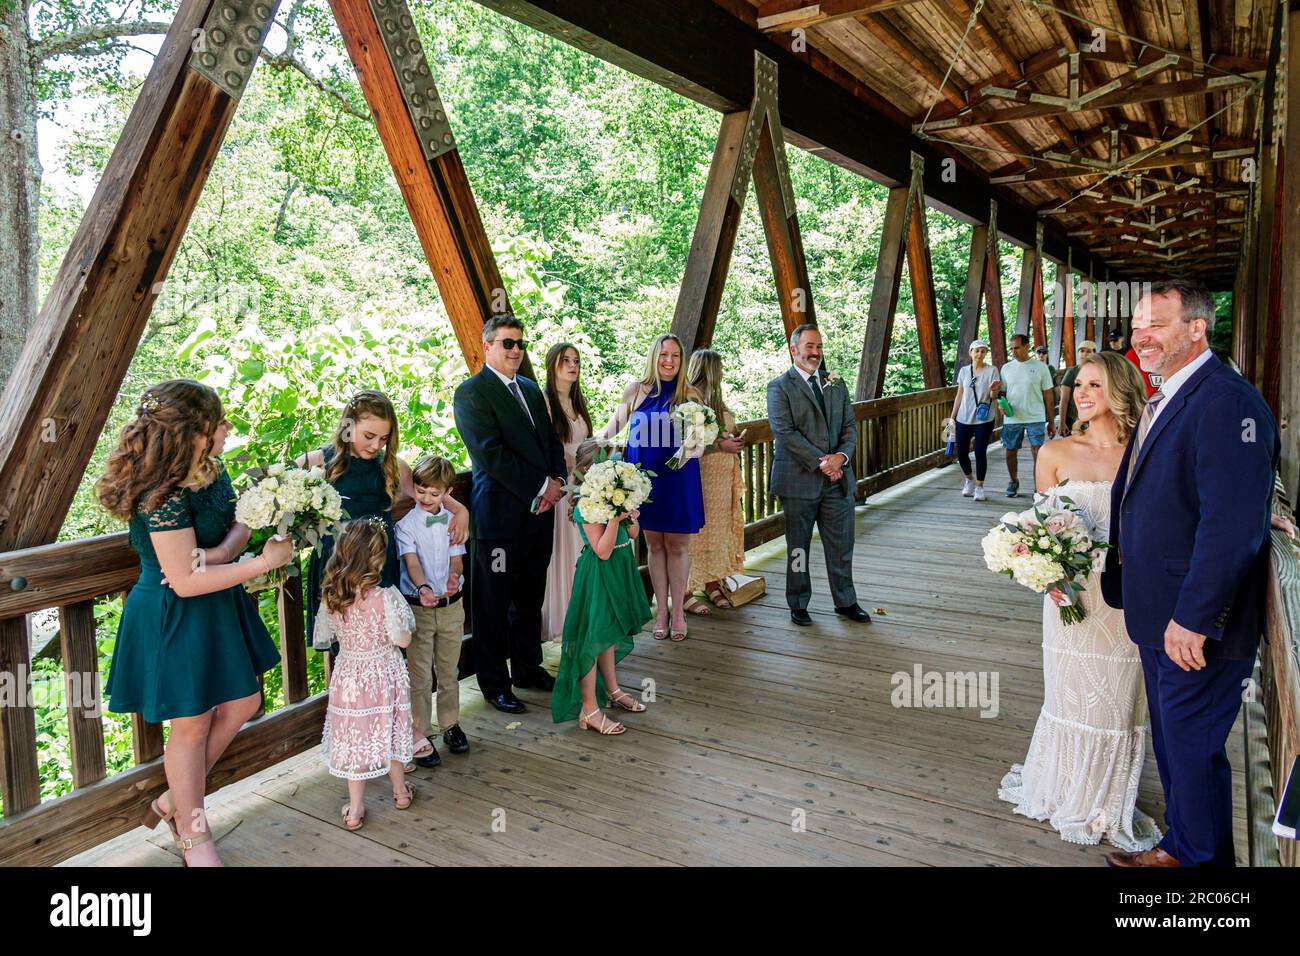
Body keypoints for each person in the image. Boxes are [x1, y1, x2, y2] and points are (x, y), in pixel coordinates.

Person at [1101, 281, 1280, 868]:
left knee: (1193, 747)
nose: (1140, 336)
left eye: (1156, 324)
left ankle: (1202, 871)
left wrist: (1195, 618)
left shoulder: (1227, 402)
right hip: (1159, 611)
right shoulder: (1173, 393)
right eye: (1137, 326)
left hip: (1195, 623)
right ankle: (1180, 847)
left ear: (1197, 328)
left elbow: (1231, 525)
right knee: (1177, 742)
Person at [97, 380, 296, 866]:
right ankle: (194, 836)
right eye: (218, 422)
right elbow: (184, 581)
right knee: (191, 723)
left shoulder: (211, 471)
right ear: (192, 432)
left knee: (245, 700)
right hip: (174, 610)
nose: (227, 428)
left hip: (216, 600)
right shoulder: (159, 495)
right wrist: (261, 564)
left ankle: (173, 800)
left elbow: (234, 531)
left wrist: (226, 550)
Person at [998, 352, 1162, 852]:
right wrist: (1044, 573)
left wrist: (1261, 516)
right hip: (1070, 596)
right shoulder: (1053, 452)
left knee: (1118, 699)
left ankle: (1108, 800)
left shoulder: (1147, 449)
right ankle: (1063, 787)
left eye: (1095, 384)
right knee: (1069, 694)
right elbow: (1039, 528)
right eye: (1078, 385)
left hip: (1127, 596)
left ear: (1121, 389)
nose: (1082, 394)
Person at [453, 315, 568, 713]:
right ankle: (494, 685)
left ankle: (527, 668)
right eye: (507, 343)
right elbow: (491, 454)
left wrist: (557, 481)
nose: (516, 350)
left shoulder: (531, 389)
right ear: (487, 346)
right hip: (499, 521)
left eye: (520, 343)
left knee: (529, 599)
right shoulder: (471, 393)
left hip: (538, 516)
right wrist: (540, 486)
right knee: (493, 604)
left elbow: (551, 440)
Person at [299, 390, 468, 650]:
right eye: (369, 436)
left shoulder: (392, 466)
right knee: (345, 645)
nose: (375, 445)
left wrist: (461, 512)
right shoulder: (321, 461)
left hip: (380, 564)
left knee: (384, 642)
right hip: (339, 565)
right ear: (348, 426)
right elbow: (280, 491)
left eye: (384, 439)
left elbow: (432, 495)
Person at [600, 333, 705, 641]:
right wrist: (592, 444)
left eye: (675, 355)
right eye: (663, 354)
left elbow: (699, 442)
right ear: (653, 357)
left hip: (678, 480)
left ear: (681, 360)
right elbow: (614, 426)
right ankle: (661, 612)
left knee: (678, 546)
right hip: (644, 482)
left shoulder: (690, 394)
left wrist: (693, 444)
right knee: (654, 547)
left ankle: (678, 612)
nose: (669, 360)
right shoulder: (635, 390)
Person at [314, 519, 417, 830]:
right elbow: (403, 640)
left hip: (349, 676)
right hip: (383, 675)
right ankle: (400, 792)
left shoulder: (332, 596)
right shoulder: (385, 597)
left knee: (355, 736)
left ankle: (355, 809)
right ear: (375, 559)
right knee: (391, 728)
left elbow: (325, 637)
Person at [767, 324, 870, 627]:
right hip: (798, 481)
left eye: (819, 346)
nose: (815, 352)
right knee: (798, 547)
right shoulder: (779, 387)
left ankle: (846, 601)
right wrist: (822, 462)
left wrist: (841, 458)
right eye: (809, 346)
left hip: (838, 480)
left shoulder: (835, 382)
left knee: (842, 545)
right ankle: (798, 602)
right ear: (794, 350)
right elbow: (785, 432)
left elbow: (849, 426)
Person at [551, 447, 653, 734]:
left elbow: (633, 534)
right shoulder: (587, 506)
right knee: (593, 639)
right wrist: (615, 519)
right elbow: (602, 551)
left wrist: (630, 514)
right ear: (590, 471)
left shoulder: (611, 500)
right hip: (599, 574)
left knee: (608, 635)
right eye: (610, 463)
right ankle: (589, 709)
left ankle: (613, 690)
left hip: (621, 567)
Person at [395, 454, 468, 768]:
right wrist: (424, 587)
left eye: (434, 493)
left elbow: (457, 559)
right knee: (420, 674)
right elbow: (411, 563)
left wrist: (454, 577)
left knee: (449, 671)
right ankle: (421, 732)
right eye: (420, 490)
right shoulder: (406, 525)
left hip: (451, 607)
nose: (425, 497)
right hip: (419, 608)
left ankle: (450, 724)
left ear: (447, 492)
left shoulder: (453, 520)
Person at [683, 349, 747, 613]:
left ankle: (712, 583)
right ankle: (686, 590)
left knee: (717, 533)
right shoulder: (689, 400)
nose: (721, 372)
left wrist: (733, 441)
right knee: (697, 534)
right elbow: (688, 444)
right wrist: (721, 446)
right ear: (707, 369)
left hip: (722, 480)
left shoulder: (717, 401)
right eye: (718, 368)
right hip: (702, 475)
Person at [541, 342, 594, 642]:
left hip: (585, 487)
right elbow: (545, 448)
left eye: (576, 361)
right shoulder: (546, 402)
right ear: (553, 365)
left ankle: (587, 621)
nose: (573, 366)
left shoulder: (578, 400)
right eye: (566, 360)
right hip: (562, 489)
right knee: (565, 553)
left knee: (584, 551)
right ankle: (564, 624)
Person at [1000, 334, 1056, 498]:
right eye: (1011, 348)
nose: (1013, 352)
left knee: (1038, 452)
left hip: (1036, 417)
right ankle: (1013, 481)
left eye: (1017, 348)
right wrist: (1001, 405)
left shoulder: (1041, 368)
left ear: (1027, 347)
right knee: (1010, 451)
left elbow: (1049, 397)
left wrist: (1051, 422)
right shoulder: (1006, 368)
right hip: (1012, 417)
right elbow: (1002, 393)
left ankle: (1038, 485)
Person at [948, 339, 1001, 502]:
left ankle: (979, 487)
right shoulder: (964, 371)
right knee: (961, 452)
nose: (980, 354)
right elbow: (959, 395)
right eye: (977, 351)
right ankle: (969, 479)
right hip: (963, 417)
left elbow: (993, 397)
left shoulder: (992, 370)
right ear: (970, 352)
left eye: (983, 351)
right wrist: (952, 417)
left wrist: (993, 390)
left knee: (980, 452)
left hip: (984, 419)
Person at [1056, 339, 1098, 437]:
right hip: (1073, 417)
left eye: (1088, 351)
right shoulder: (1072, 372)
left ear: (1094, 353)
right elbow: (1064, 399)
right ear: (1078, 353)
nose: (1085, 354)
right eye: (1082, 351)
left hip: (1093, 417)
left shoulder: (1100, 371)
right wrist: (1062, 422)